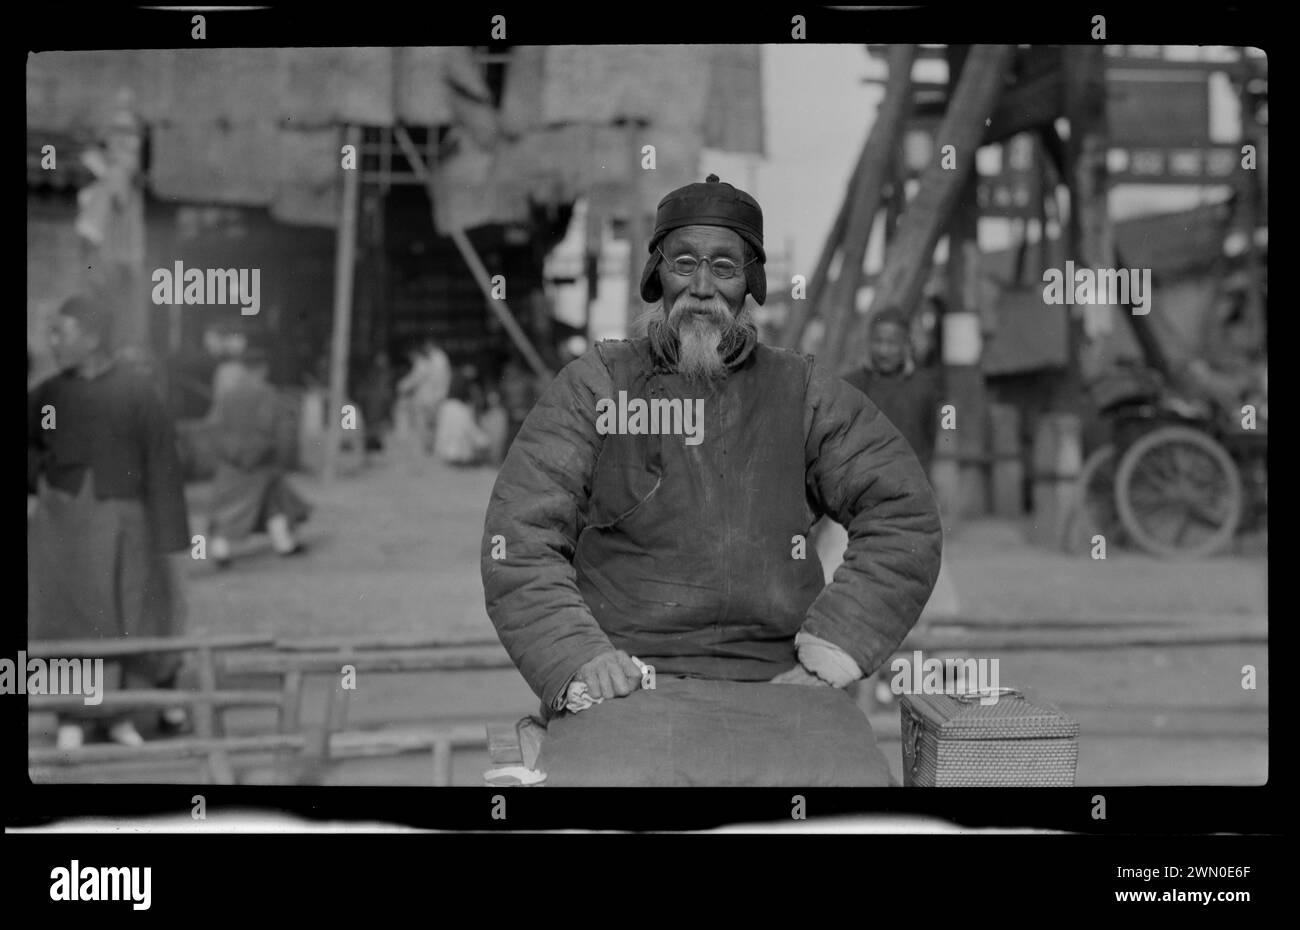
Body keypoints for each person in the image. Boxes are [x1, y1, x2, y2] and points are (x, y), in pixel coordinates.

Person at [481, 175, 942, 785]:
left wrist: (834, 651)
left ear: (751, 282)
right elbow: (518, 537)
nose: (702, 287)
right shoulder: (597, 384)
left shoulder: (799, 391)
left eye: (724, 266)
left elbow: (903, 512)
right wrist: (578, 657)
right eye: (685, 262)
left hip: (781, 683)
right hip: (626, 686)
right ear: (657, 274)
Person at [28, 295, 191, 749]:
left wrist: (171, 539)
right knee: (64, 620)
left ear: (93, 337)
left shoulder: (137, 394)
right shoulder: (49, 396)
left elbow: (163, 465)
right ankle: (72, 716)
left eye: (61, 332)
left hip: (126, 531)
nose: (52, 342)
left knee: (131, 616)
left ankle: (119, 714)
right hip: (61, 535)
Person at [205, 346, 311, 566]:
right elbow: (282, 432)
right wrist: (283, 459)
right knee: (273, 501)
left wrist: (229, 452)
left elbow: (213, 428)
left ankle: (222, 550)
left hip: (232, 463)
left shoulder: (227, 396)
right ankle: (283, 543)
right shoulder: (270, 396)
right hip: (262, 462)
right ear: (263, 368)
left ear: (243, 368)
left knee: (231, 507)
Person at [843, 305, 942, 478]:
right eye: (878, 342)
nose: (884, 351)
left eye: (892, 343)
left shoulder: (925, 387)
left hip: (911, 486)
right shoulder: (851, 385)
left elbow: (931, 440)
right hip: (862, 487)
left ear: (906, 344)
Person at [433, 374, 492, 466]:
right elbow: (478, 439)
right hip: (457, 458)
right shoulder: (463, 410)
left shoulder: (444, 406)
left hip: (442, 454)